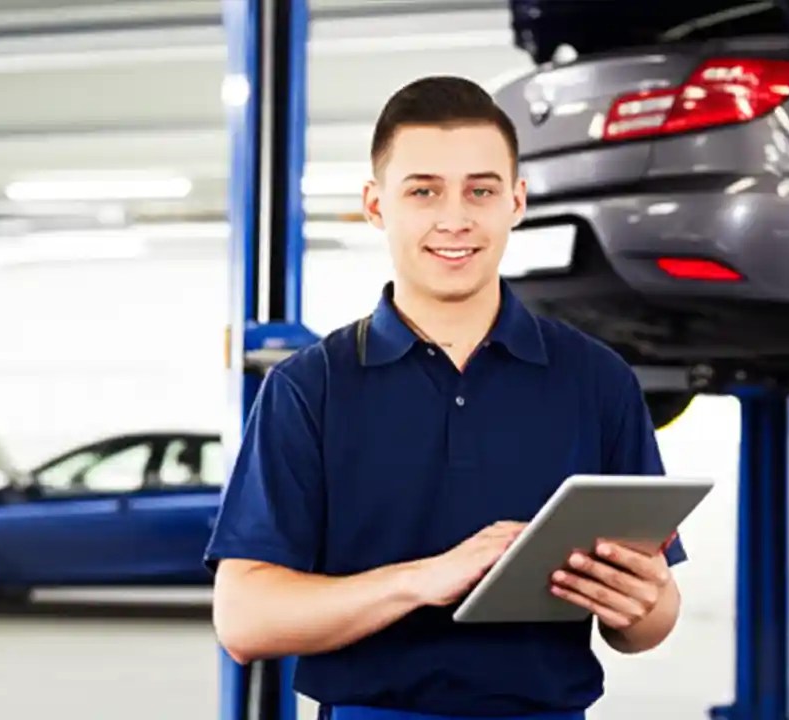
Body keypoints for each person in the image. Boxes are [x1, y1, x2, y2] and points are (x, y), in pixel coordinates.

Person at [204, 75, 687, 720]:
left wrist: (645, 605)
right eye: (423, 191)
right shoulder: (311, 388)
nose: (454, 219)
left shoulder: (597, 380)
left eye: (480, 191)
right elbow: (245, 619)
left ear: (516, 201)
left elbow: (648, 621)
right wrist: (424, 580)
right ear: (376, 205)